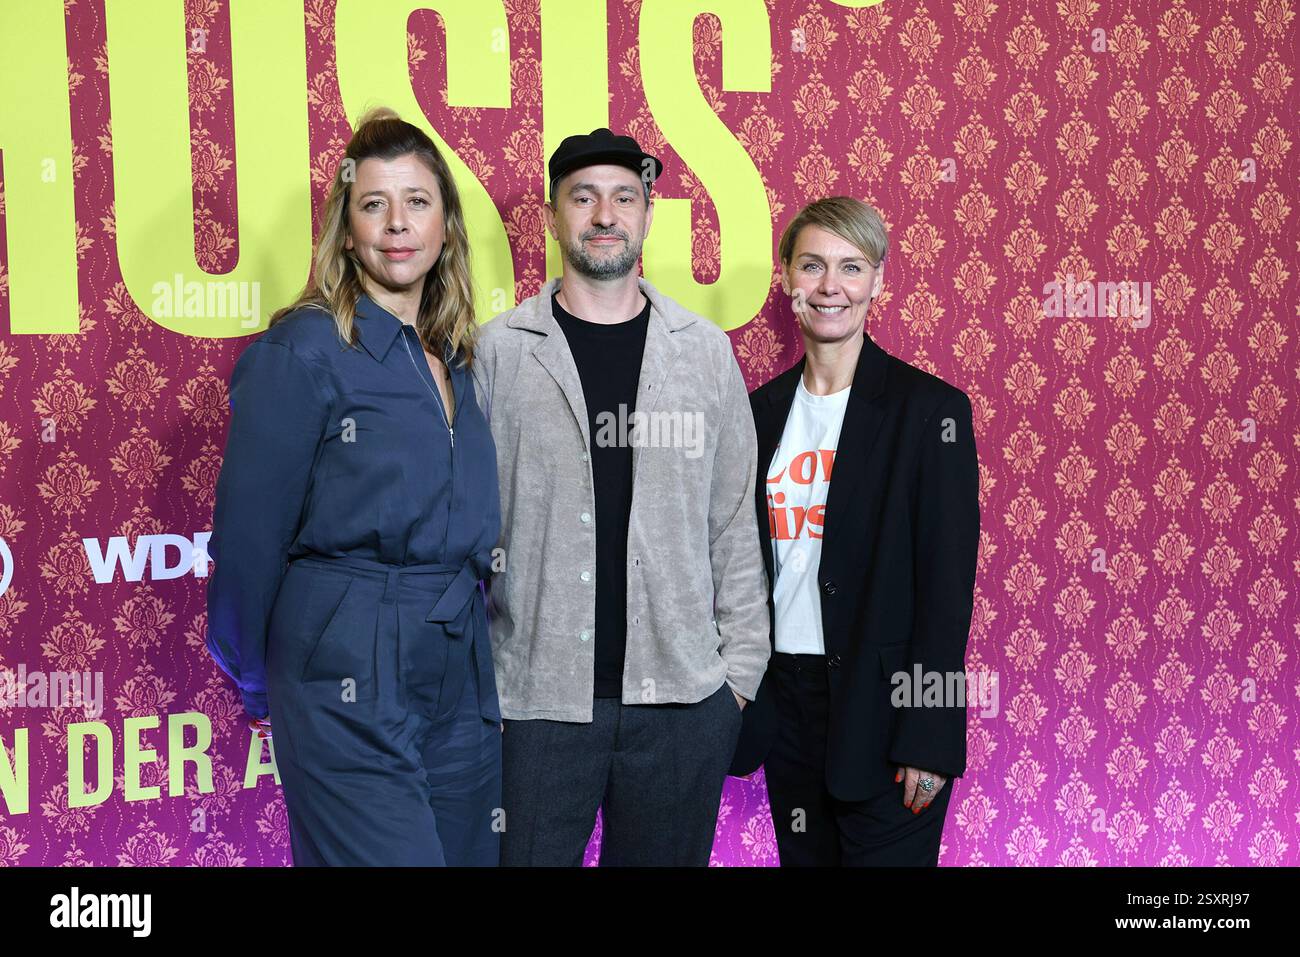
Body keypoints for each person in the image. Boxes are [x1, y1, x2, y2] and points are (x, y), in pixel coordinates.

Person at [205, 107, 502, 866]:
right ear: (346, 227)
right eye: (374, 204)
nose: (397, 224)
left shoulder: (455, 356)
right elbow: (246, 541)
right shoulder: (303, 348)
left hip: (457, 665)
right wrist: (256, 673)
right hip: (344, 658)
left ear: (446, 226)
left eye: (417, 202)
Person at [472, 128, 770, 866]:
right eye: (583, 197)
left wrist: (735, 683)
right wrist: (482, 686)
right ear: (551, 217)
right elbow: (465, 533)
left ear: (647, 213)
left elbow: (735, 524)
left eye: (623, 196)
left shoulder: (702, 351)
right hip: (535, 707)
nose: (604, 213)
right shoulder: (498, 352)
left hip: (681, 705)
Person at [729, 196, 980, 866]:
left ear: (878, 281)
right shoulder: (758, 415)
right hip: (789, 709)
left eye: (850, 267)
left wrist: (929, 734)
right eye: (812, 265)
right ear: (787, 278)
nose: (830, 285)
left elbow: (947, 589)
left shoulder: (929, 413)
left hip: (888, 716)